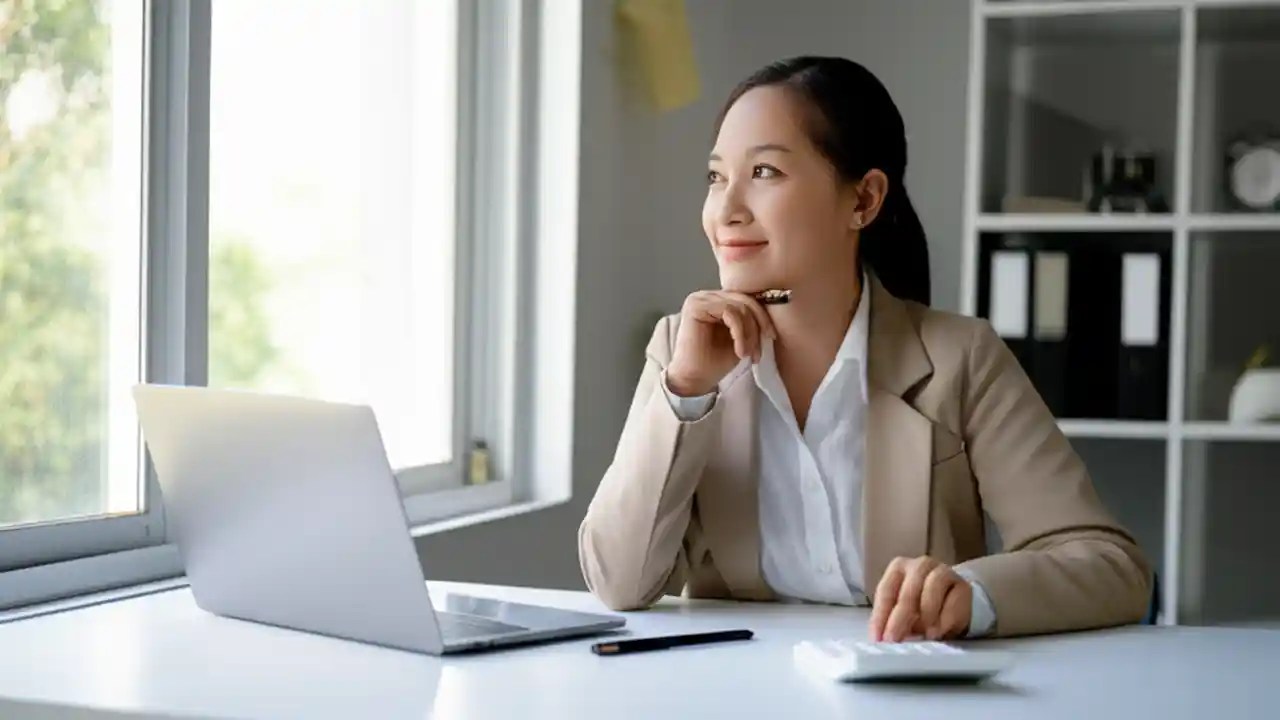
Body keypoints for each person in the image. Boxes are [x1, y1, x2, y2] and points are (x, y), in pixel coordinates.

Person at [578, 56, 1152, 641]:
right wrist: (687, 393)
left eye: (767, 172)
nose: (725, 211)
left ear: (864, 200)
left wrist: (972, 596)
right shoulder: (682, 350)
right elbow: (618, 582)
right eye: (716, 177)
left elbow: (1111, 567)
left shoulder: (961, 359)